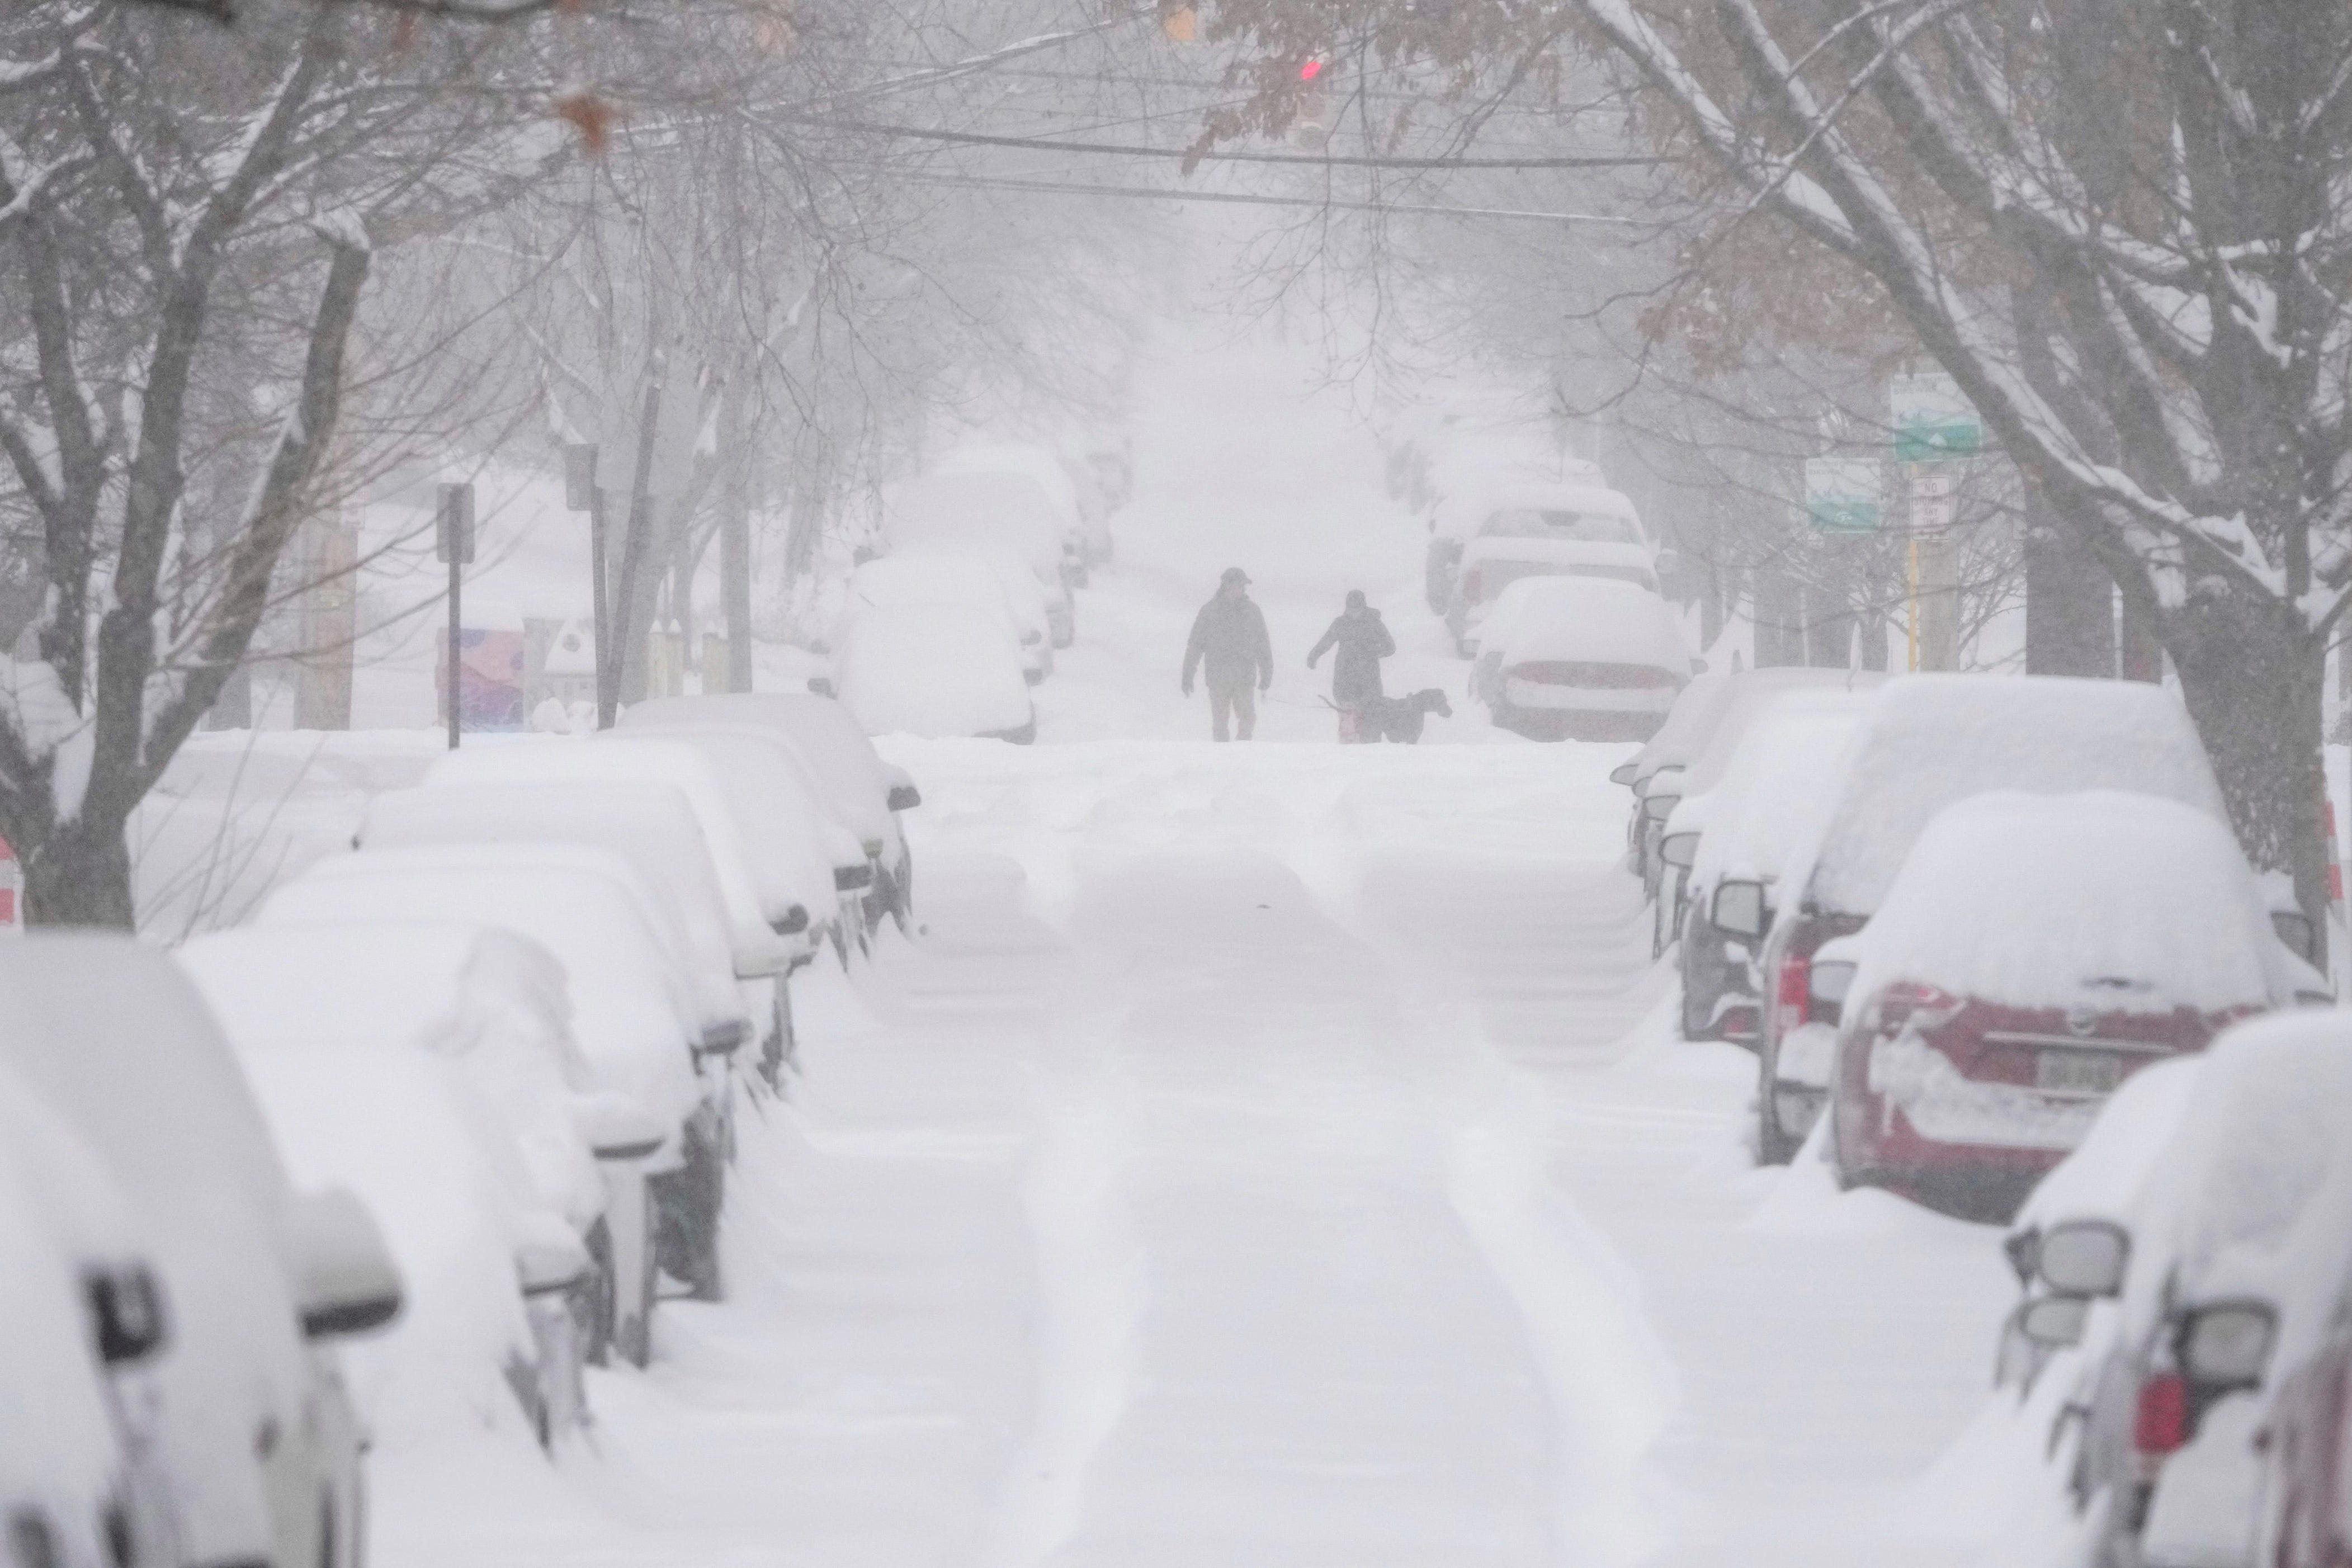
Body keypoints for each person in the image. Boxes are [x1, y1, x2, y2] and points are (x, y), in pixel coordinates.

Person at [1182, 566, 1273, 742]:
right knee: (1220, 723)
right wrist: (1188, 674)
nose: (1239, 589)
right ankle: (1221, 754)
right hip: (1218, 678)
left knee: (1248, 719)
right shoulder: (1209, 611)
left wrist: (1267, 674)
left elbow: (1263, 645)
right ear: (1226, 585)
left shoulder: (1253, 612)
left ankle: (1243, 751)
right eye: (1236, 585)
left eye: (1242, 586)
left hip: (1245, 677)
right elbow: (1195, 646)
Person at [1306, 589, 1395, 742]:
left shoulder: (1374, 623)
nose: (1353, 612)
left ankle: (1370, 752)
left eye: (1357, 609)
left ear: (1364, 607)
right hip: (1344, 681)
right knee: (1347, 728)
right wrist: (1314, 656)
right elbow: (1326, 641)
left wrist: (1375, 652)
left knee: (1369, 727)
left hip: (1369, 683)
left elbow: (1391, 647)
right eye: (1350, 608)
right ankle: (1347, 753)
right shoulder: (1340, 623)